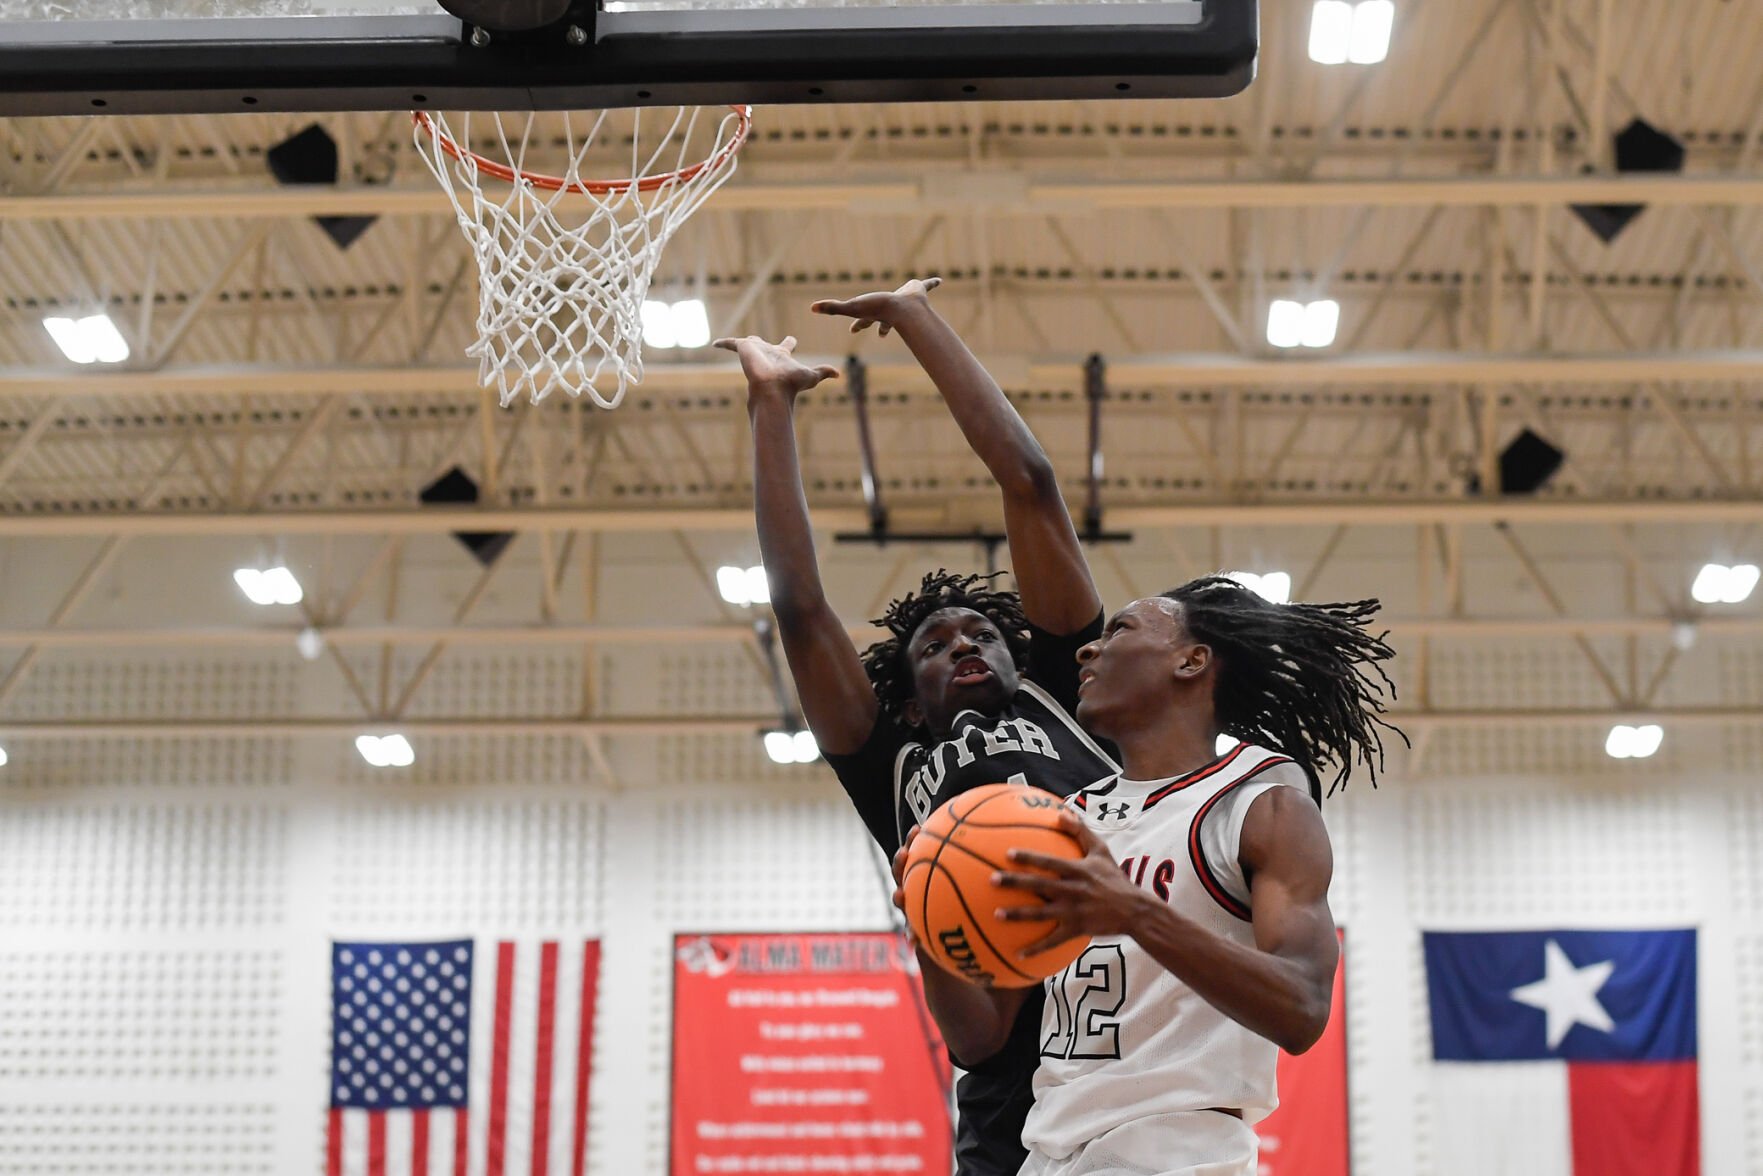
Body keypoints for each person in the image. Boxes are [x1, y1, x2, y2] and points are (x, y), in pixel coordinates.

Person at [718, 280, 1121, 1176]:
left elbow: (1032, 484)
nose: (964, 643)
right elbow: (799, 608)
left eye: (982, 634)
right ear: (907, 696)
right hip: (1009, 1114)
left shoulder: (1069, 695)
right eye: (934, 646)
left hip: (1135, 1069)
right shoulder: (893, 762)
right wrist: (770, 404)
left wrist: (913, 317)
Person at [894, 578, 1398, 1176]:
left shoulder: (1260, 805)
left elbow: (1304, 1008)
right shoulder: (1061, 822)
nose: (1086, 650)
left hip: (1175, 1151)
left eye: (1120, 631)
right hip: (1049, 1152)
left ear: (1192, 660)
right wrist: (929, 925)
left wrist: (1136, 913)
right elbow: (979, 1041)